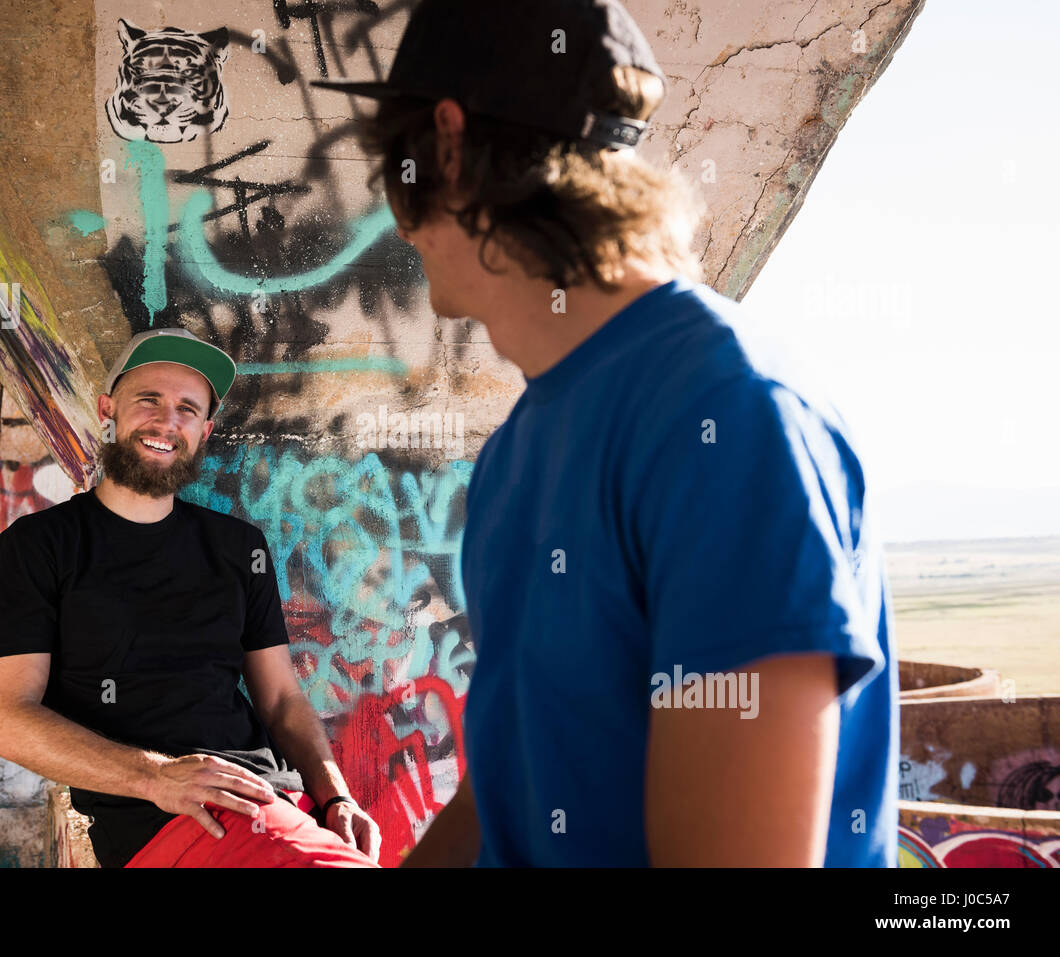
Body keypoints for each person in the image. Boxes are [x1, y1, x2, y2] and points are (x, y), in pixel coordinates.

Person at [314, 0, 898, 866]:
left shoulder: (727, 416)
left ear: (446, 146)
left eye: (390, 166)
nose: (391, 208)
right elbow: (500, 796)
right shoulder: (521, 448)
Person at [0, 327, 380, 867]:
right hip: (164, 822)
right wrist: (156, 777)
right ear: (107, 410)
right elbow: (4, 719)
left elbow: (281, 699)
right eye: (148, 400)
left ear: (205, 430)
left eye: (187, 409)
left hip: (274, 800)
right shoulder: (38, 546)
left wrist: (335, 795)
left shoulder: (239, 548)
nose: (168, 422)